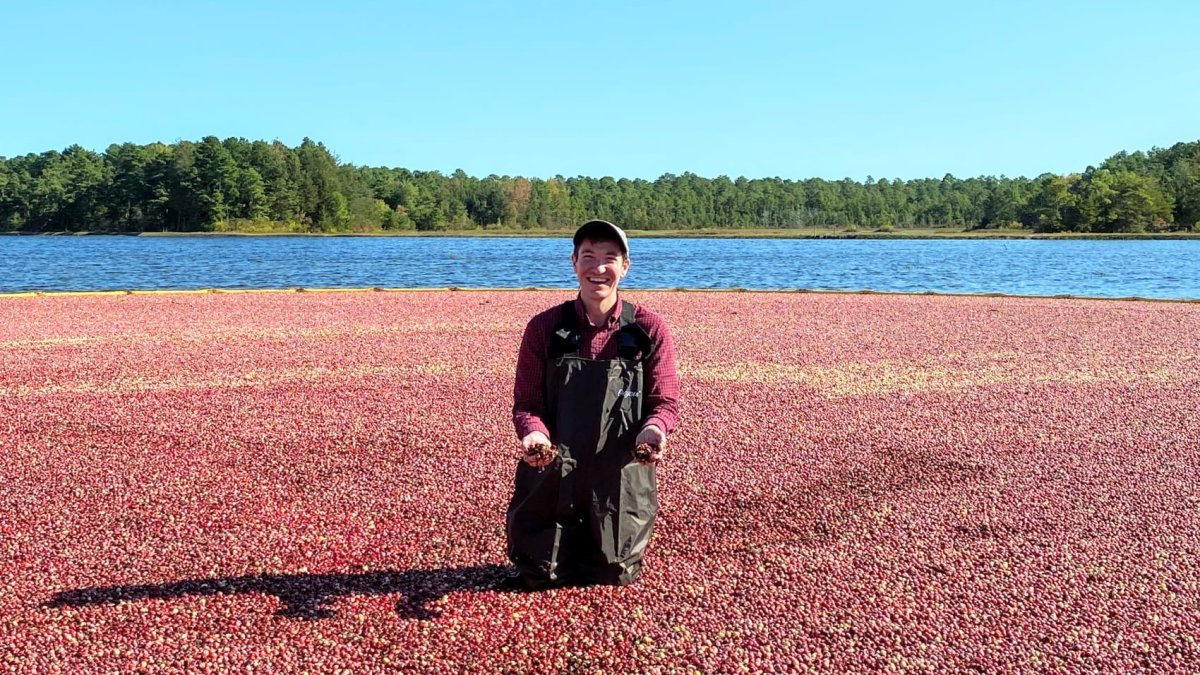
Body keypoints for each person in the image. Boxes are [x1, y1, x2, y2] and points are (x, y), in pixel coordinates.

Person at [506, 219, 681, 588]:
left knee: (613, 572)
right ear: (573, 262)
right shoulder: (544, 327)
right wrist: (534, 437)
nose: (598, 268)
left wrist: (654, 432)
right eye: (588, 256)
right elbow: (527, 403)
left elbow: (664, 402)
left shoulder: (648, 329)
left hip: (618, 474)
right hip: (555, 470)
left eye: (609, 258)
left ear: (625, 266)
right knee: (540, 572)